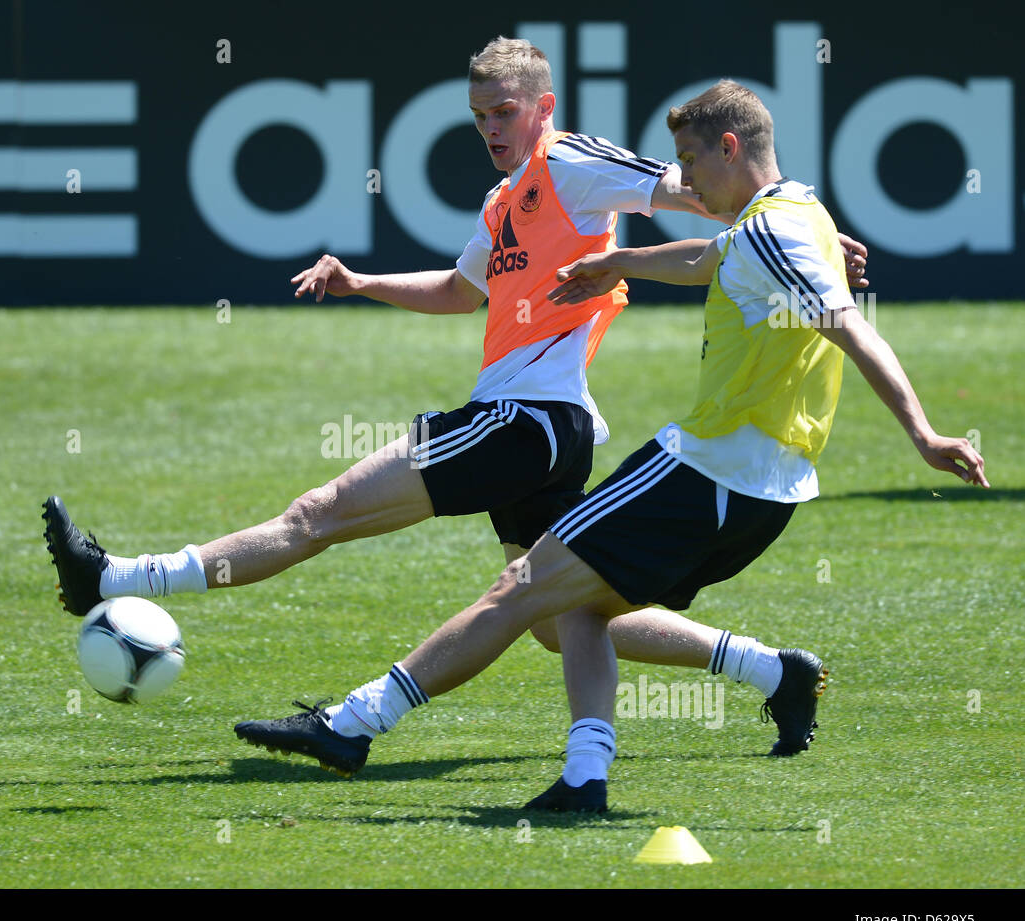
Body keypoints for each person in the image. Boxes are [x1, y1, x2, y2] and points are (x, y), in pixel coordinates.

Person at [45, 39, 868, 755]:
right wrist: (358, 280)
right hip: (541, 430)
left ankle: (117, 578)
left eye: (504, 111)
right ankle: (773, 670)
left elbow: (690, 189)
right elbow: (457, 288)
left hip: (524, 421)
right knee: (558, 614)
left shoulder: (573, 163)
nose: (491, 129)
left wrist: (799, 235)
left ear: (542, 106)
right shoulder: (502, 202)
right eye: (479, 116)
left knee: (319, 513)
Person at [233, 80, 987, 811]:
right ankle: (597, 770)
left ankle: (353, 725)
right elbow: (705, 260)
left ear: (729, 148)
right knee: (577, 605)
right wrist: (620, 262)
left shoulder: (769, 232)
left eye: (691, 162)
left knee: (520, 588)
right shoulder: (801, 214)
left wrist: (922, 432)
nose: (683, 179)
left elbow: (849, 327)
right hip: (770, 493)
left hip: (702, 468)